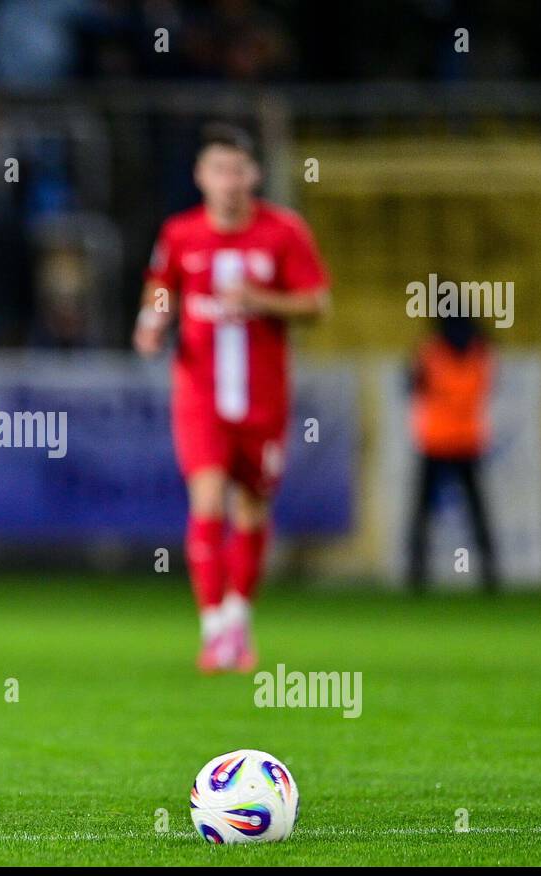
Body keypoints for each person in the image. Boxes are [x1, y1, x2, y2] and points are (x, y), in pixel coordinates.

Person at [134, 123, 330, 674]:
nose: (228, 181)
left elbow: (317, 304)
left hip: (263, 399)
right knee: (208, 498)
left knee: (252, 507)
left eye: (238, 170)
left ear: (255, 175)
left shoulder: (284, 232)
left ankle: (238, 618)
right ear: (201, 176)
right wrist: (152, 323)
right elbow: (161, 286)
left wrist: (262, 300)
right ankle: (213, 628)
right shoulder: (180, 233)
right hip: (200, 393)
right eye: (218, 170)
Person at [407, 311, 498, 590]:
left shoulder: (431, 351)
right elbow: (486, 386)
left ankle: (417, 576)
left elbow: (413, 385)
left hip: (437, 440)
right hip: (465, 440)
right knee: (476, 512)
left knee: (423, 514)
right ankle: (490, 575)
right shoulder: (480, 351)